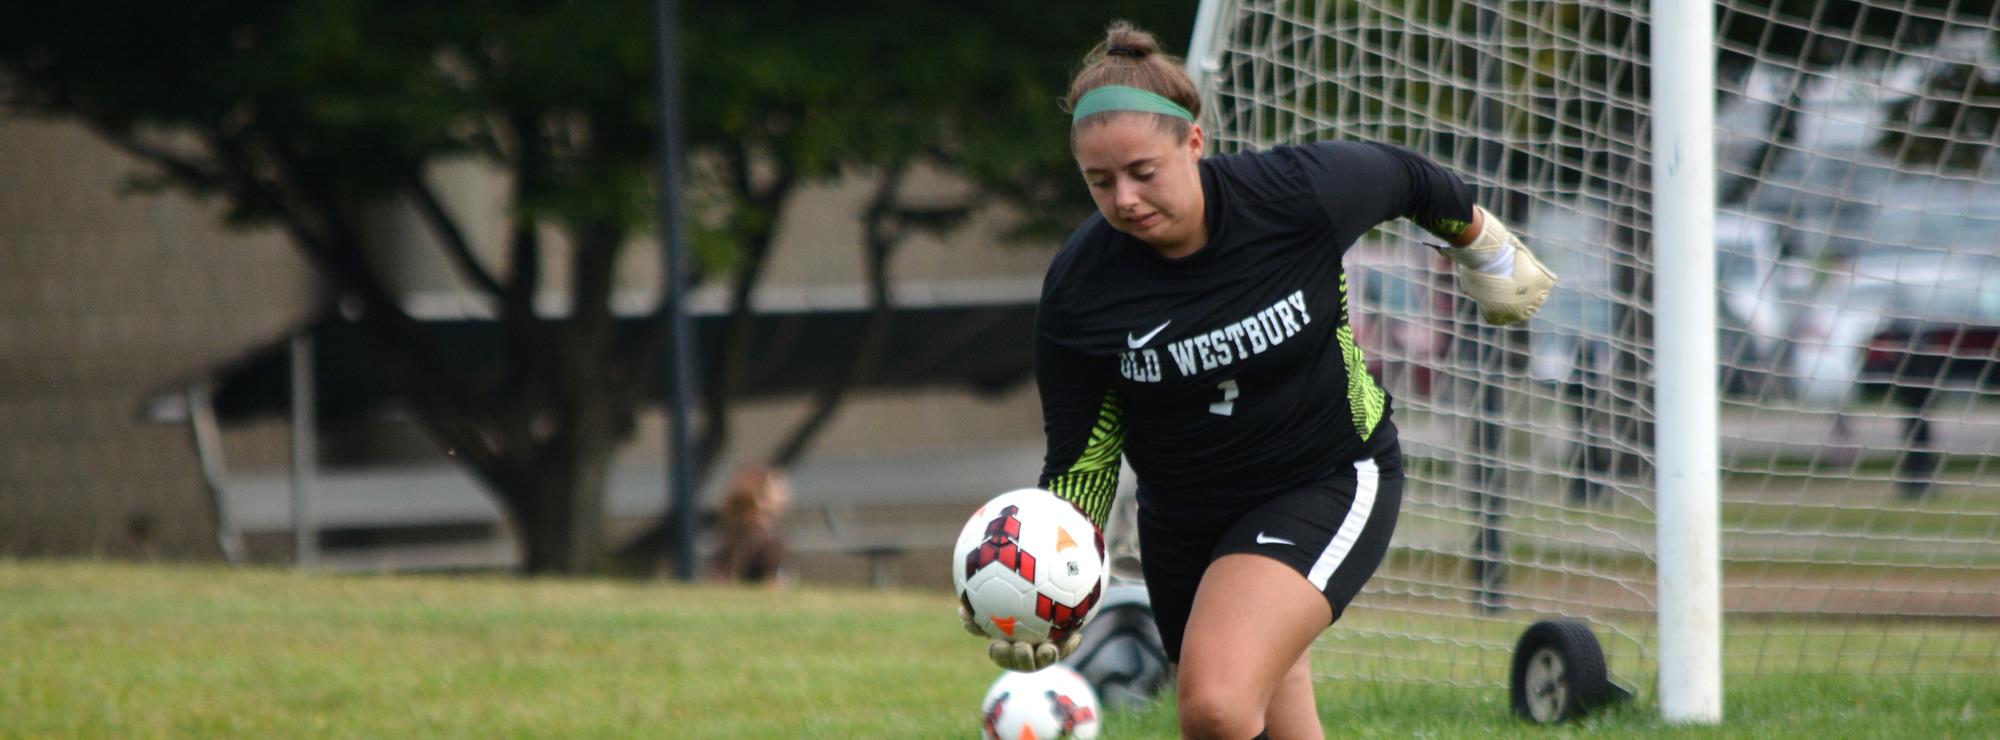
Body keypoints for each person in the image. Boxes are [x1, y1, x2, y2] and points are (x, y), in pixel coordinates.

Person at [962, 21, 1556, 740]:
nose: (1124, 198)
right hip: (1184, 523)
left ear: (1193, 143)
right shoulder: (1080, 290)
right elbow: (1084, 455)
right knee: (1265, 716)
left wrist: (1482, 243)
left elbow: (1405, 177)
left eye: (1143, 171)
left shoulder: (1294, 195)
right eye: (1100, 181)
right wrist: (1059, 585)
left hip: (1328, 476)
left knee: (1215, 704)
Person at [705, 464, 793, 585]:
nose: (786, 496)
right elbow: (725, 574)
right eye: (780, 491)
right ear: (759, 498)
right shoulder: (751, 536)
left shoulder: (766, 533)